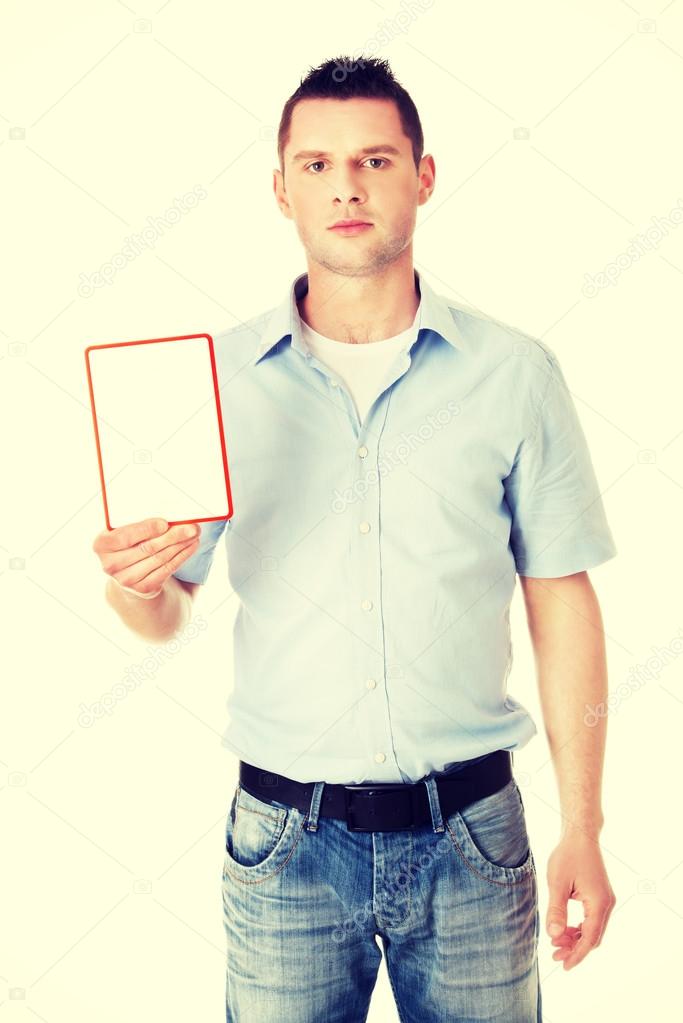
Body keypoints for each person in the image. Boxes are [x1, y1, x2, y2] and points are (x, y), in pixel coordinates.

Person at [93, 54, 617, 1023]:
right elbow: (167, 612)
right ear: (280, 187)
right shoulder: (214, 382)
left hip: (472, 837)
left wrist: (580, 824)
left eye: (374, 161)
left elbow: (561, 599)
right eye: (318, 164)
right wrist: (134, 583)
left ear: (422, 175)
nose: (345, 186)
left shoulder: (512, 375)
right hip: (284, 845)